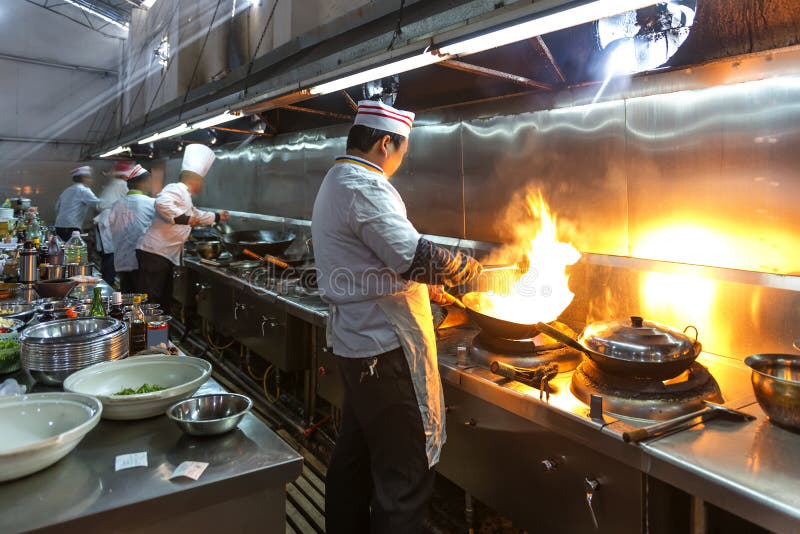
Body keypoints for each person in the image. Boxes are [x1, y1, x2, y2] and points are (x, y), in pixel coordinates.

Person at [311, 100, 482, 534]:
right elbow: (415, 255)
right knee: (403, 479)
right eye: (403, 151)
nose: (401, 161)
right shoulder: (364, 185)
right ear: (385, 143)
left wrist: (426, 283)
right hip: (384, 354)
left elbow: (381, 260)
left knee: (354, 457)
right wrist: (472, 272)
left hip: (358, 346)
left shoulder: (337, 179)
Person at [137, 144, 229, 309]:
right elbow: (161, 203)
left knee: (162, 301)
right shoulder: (175, 188)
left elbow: (196, 215)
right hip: (155, 254)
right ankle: (146, 335)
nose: (202, 184)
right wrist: (185, 219)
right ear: (195, 179)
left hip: (163, 256)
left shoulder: (185, 196)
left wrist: (217, 216)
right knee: (151, 302)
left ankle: (159, 335)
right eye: (202, 180)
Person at [106, 164, 155, 293]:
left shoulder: (116, 205)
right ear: (143, 183)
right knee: (142, 300)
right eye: (150, 181)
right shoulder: (151, 203)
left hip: (121, 260)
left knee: (127, 296)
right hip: (141, 262)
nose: (151, 185)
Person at [95, 161, 136, 286]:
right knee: (111, 256)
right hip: (109, 223)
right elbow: (131, 202)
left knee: (107, 257)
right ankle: (108, 285)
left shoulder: (113, 183)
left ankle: (105, 284)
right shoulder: (122, 184)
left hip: (104, 221)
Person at [54, 166, 99, 242]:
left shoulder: (67, 190)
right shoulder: (83, 190)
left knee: (63, 250)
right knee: (73, 252)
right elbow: (97, 203)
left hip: (59, 226)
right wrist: (113, 202)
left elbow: (57, 208)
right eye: (89, 178)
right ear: (84, 178)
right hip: (71, 227)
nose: (91, 180)